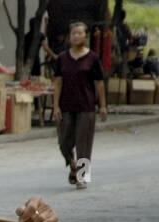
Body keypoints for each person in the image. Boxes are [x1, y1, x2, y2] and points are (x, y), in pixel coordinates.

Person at [52, 22, 107, 191]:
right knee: (63, 142)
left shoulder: (93, 59)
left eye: (79, 33)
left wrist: (102, 106)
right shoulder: (62, 58)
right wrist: (55, 106)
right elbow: (58, 83)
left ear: (86, 36)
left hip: (86, 107)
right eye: (73, 33)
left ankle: (82, 177)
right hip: (66, 106)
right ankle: (73, 164)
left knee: (84, 144)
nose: (76, 36)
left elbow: (99, 84)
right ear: (70, 36)